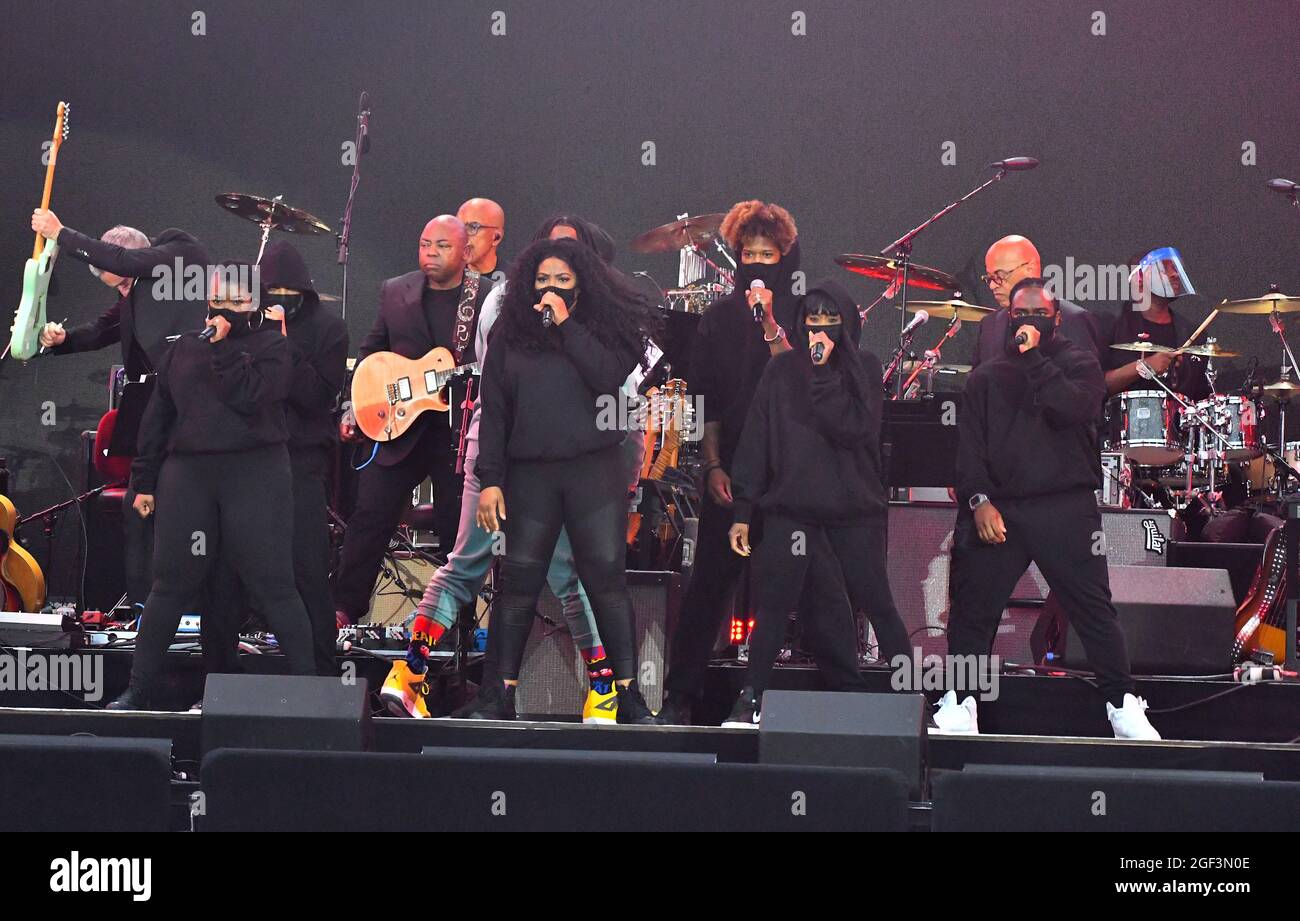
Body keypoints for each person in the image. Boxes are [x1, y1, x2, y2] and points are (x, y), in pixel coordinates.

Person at [381, 215, 636, 721]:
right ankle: (414, 675)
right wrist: (491, 477)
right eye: (548, 262)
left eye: (570, 262)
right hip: (503, 457)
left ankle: (606, 689)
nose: (555, 276)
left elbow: (614, 385)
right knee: (474, 565)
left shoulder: (602, 319)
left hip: (571, 466)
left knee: (567, 574)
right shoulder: (504, 304)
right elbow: (493, 396)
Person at [935, 278, 1160, 740]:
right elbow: (969, 454)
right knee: (973, 609)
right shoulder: (985, 378)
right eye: (1021, 315)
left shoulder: (1081, 366)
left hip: (1064, 508)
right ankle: (962, 701)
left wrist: (1035, 359)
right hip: (1001, 508)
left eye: (1039, 315)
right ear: (1007, 320)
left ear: (1056, 320)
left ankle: (1123, 705)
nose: (1028, 322)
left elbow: (1071, 409)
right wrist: (978, 502)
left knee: (1093, 609)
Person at [107, 263, 316, 709]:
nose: (226, 310)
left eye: (237, 302)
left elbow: (247, 396)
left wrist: (223, 350)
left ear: (255, 304)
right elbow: (159, 416)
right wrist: (143, 479)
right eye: (219, 300)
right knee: (170, 584)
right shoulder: (183, 349)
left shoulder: (274, 348)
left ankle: (311, 695)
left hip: (255, 471)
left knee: (273, 583)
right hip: (190, 473)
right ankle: (138, 689)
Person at [474, 237, 659, 723]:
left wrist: (567, 324)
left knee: (606, 582)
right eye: (541, 281)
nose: (550, 288)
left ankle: (628, 699)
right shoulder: (510, 335)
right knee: (519, 583)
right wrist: (489, 479)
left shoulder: (607, 330)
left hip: (593, 471)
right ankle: (500, 696)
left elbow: (606, 378)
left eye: (562, 280)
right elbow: (492, 412)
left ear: (582, 284)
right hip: (530, 472)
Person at [723, 279, 912, 726]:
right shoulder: (781, 371)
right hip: (793, 507)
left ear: (845, 329)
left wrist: (824, 375)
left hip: (853, 510)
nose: (818, 335)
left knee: (877, 601)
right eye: (811, 326)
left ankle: (914, 698)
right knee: (773, 602)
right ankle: (751, 698)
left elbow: (856, 430)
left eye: (829, 326)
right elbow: (756, 439)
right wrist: (743, 511)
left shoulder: (864, 368)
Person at [31, 222, 207, 610]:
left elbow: (122, 261)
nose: (124, 293)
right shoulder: (132, 289)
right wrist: (65, 340)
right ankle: (144, 607)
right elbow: (103, 327)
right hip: (149, 412)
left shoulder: (178, 254)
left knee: (178, 510)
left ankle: (186, 607)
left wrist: (61, 233)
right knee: (139, 512)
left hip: (188, 414)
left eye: (125, 284)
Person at [333, 215, 493, 626]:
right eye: (425, 244)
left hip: (456, 432)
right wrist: (355, 405)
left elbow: (500, 360)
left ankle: (452, 626)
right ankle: (343, 612)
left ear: (465, 252)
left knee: (454, 526)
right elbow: (371, 351)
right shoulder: (395, 291)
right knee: (369, 518)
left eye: (441, 245)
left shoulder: (488, 297)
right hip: (398, 427)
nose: (430, 253)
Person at [201, 242, 349, 677]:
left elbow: (317, 397)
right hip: (244, 463)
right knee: (225, 575)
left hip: (300, 461)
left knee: (305, 569)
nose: (280, 299)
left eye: (289, 291)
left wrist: (284, 346)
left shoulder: (328, 329)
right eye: (272, 291)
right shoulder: (240, 325)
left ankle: (320, 674)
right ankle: (217, 677)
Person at [970, 235, 1101, 368]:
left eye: (999, 276)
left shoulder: (1073, 319)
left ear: (1030, 270)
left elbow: (1086, 384)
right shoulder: (989, 324)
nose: (992, 286)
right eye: (989, 278)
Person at [1100, 246, 1209, 400]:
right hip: (1121, 423)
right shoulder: (1110, 325)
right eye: (1163, 269)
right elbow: (1093, 386)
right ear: (1139, 278)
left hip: (1178, 422)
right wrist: (1143, 367)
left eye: (1176, 268)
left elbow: (1202, 397)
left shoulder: (1194, 334)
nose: (1175, 274)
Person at [457, 197, 507, 278]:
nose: (462, 235)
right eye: (459, 226)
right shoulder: (446, 278)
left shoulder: (515, 280)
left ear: (496, 238)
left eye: (472, 227)